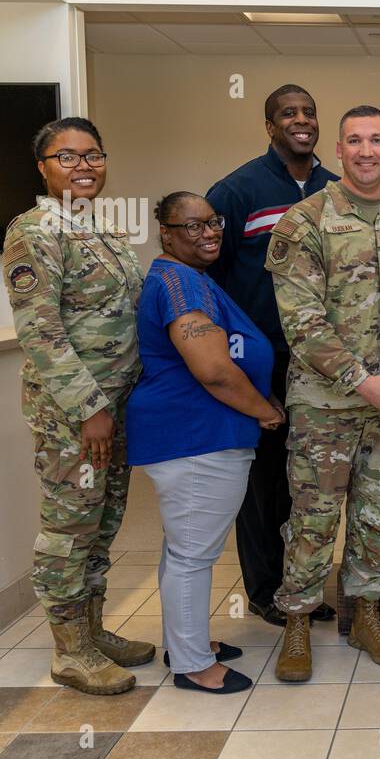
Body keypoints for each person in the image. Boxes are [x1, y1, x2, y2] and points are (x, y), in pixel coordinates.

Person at [2, 116, 154, 695]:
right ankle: (69, 652)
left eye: (92, 155)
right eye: (67, 157)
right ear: (42, 168)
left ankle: (92, 632)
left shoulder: (101, 230)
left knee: (103, 522)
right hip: (75, 416)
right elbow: (40, 333)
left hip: (114, 410)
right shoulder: (35, 231)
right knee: (69, 529)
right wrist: (89, 407)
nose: (83, 166)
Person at [265, 105, 380, 679]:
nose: (367, 151)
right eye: (355, 141)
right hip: (326, 403)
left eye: (377, 140)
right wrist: (359, 380)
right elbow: (300, 320)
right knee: (314, 515)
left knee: (377, 513)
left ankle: (365, 616)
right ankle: (298, 622)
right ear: (339, 147)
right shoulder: (304, 221)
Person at [126, 192, 286, 694]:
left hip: (200, 436)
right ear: (166, 233)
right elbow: (214, 371)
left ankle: (187, 641)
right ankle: (194, 665)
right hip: (195, 436)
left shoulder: (187, 279)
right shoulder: (180, 285)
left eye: (212, 223)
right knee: (194, 553)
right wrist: (267, 412)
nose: (208, 233)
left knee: (185, 548)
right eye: (191, 227)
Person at [206, 84, 340, 627]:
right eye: (289, 113)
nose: (301, 121)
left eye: (309, 112)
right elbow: (205, 272)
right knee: (263, 480)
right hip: (262, 362)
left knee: (311, 480)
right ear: (270, 127)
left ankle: (302, 583)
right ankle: (265, 588)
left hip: (324, 361)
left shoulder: (337, 189)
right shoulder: (238, 190)